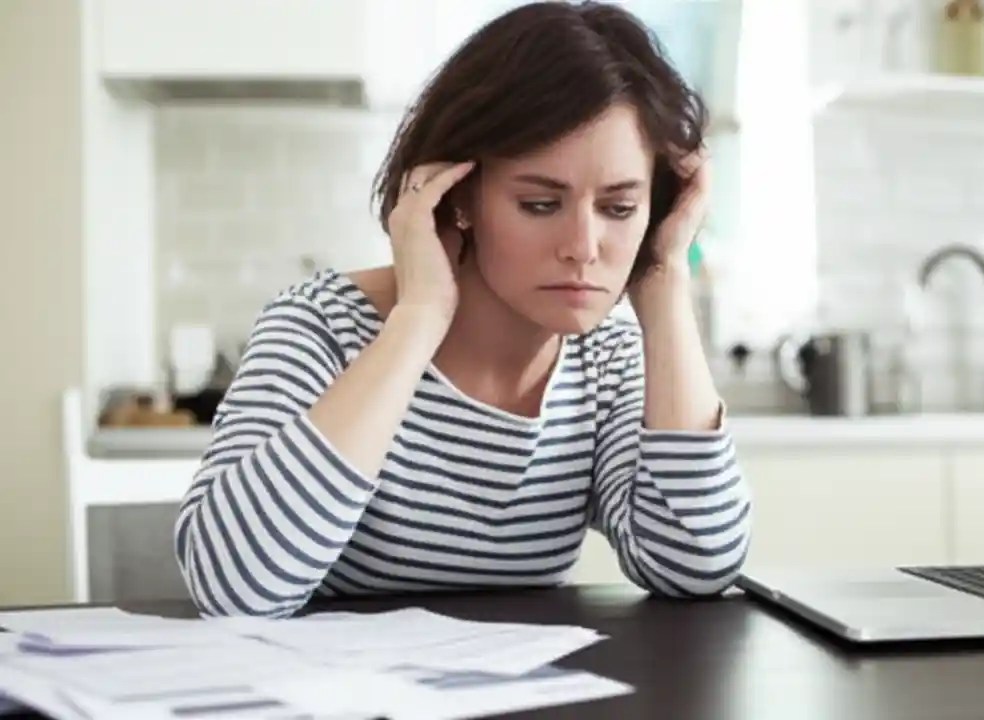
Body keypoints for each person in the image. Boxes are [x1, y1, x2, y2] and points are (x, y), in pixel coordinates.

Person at [172, 1, 753, 617]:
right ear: (458, 195)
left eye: (618, 209)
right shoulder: (319, 325)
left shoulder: (606, 359)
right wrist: (420, 316)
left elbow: (696, 563)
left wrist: (663, 279)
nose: (584, 249)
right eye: (539, 204)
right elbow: (233, 589)